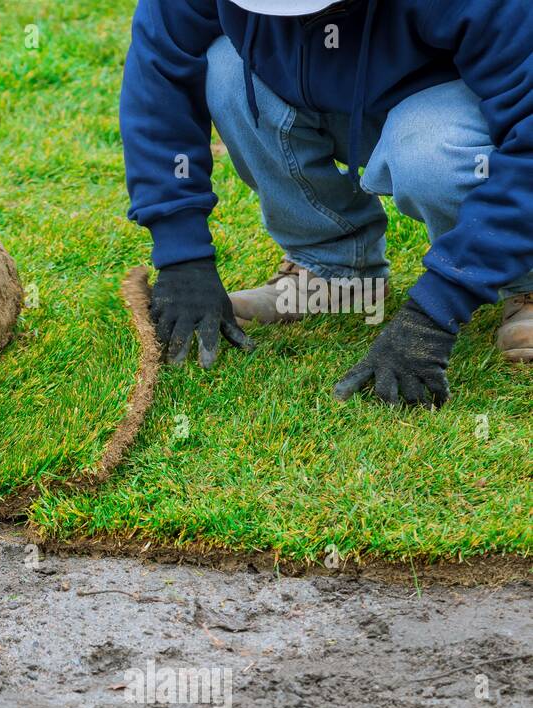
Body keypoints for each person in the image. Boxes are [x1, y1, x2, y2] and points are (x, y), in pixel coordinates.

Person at [120, 0, 533, 406]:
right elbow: (158, 80)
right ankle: (335, 271)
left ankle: (525, 279)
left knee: (431, 154)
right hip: (324, 79)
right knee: (226, 69)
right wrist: (182, 257)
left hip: (454, 95)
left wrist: (437, 309)